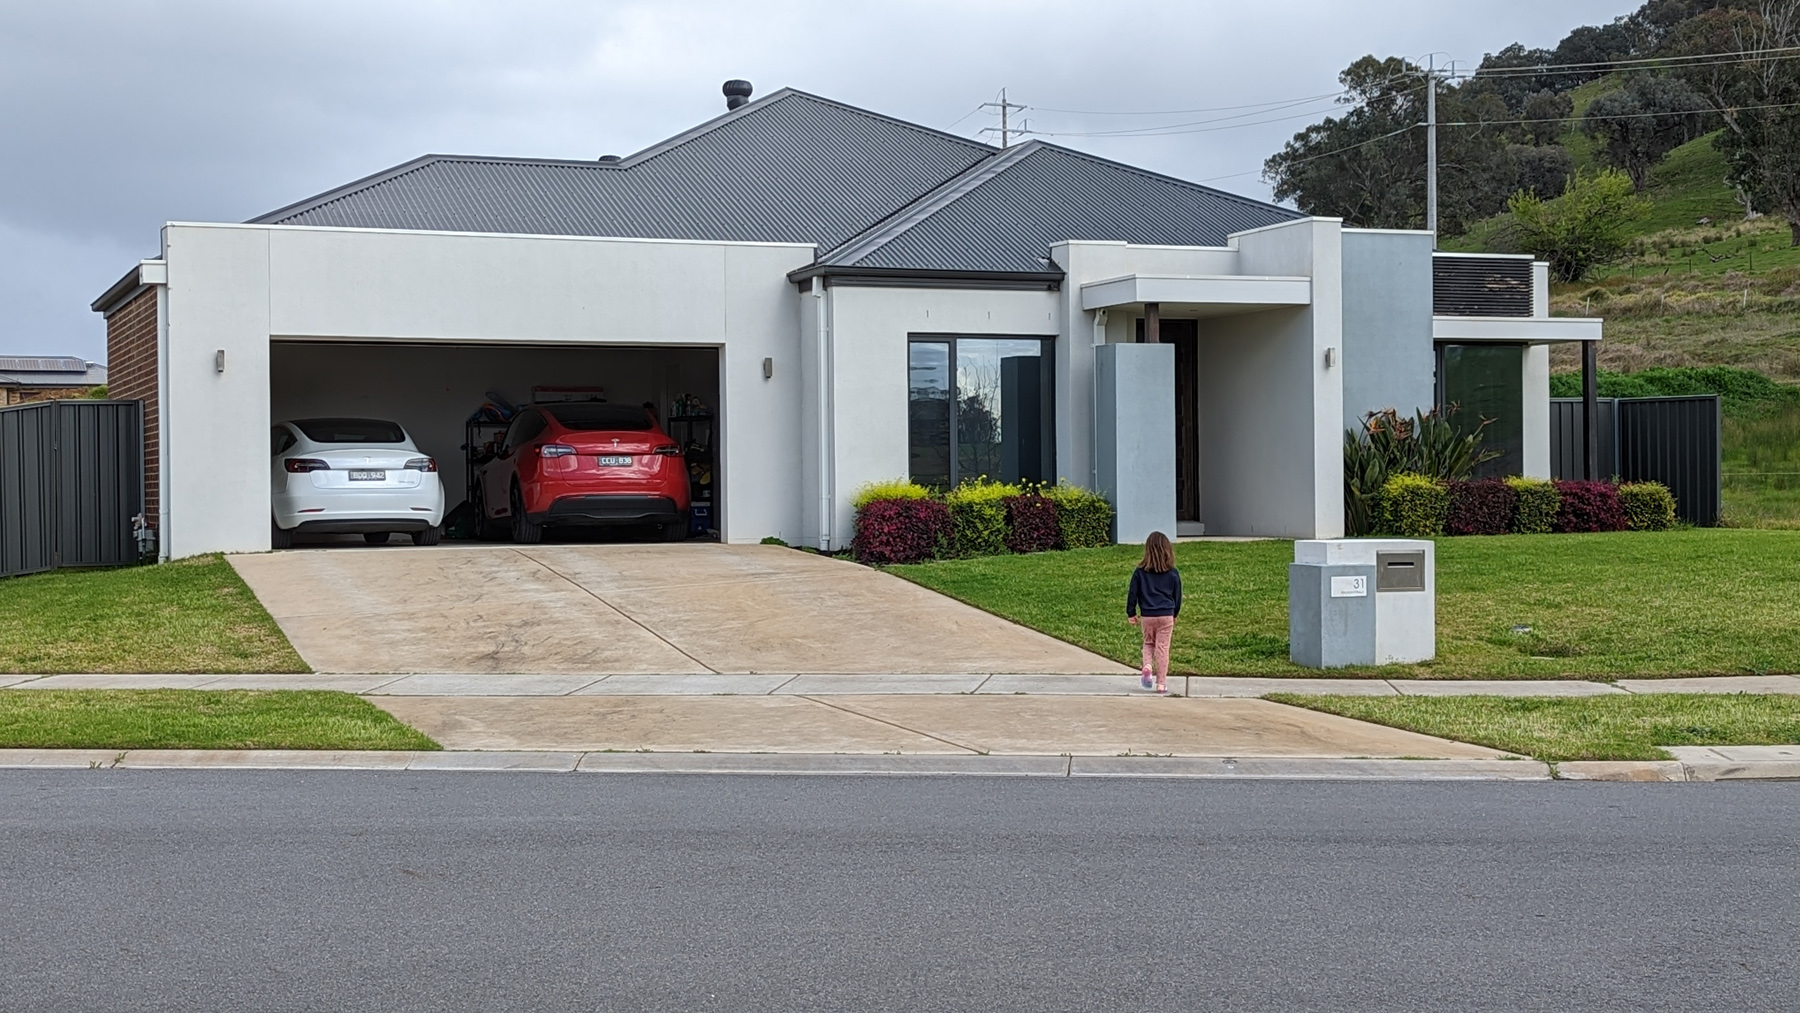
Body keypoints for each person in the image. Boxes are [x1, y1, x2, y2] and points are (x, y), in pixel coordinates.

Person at [1126, 531, 1182, 695]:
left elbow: (1133, 593)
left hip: (1147, 615)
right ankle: (1161, 684)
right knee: (1162, 648)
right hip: (1166, 615)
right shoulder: (1173, 573)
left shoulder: (1140, 572)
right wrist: (1175, 613)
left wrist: (1131, 613)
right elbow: (1177, 596)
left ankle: (1147, 666)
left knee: (1148, 643)